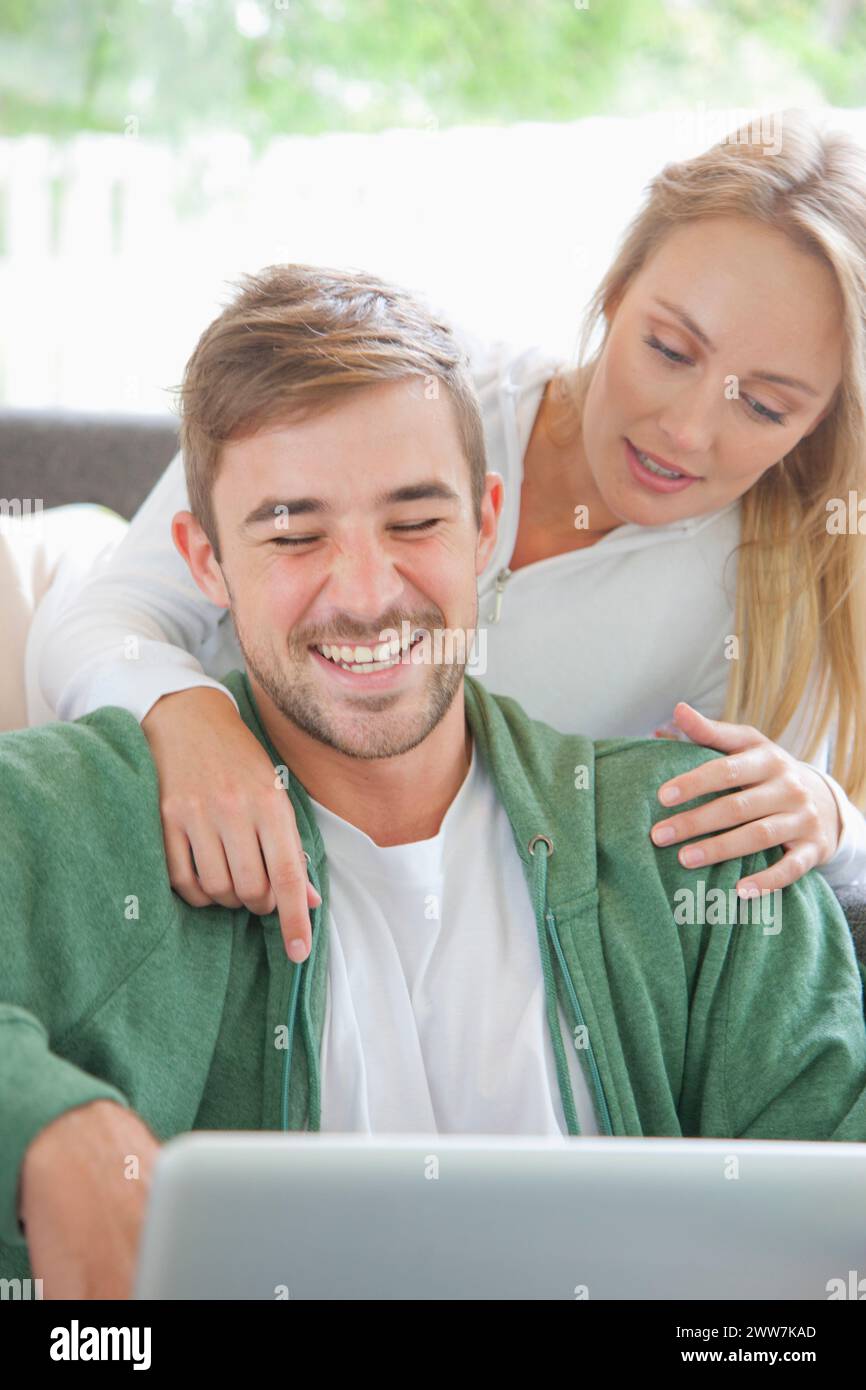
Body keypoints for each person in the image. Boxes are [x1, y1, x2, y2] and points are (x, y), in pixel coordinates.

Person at [3, 264, 866, 1299]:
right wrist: (42, 1116)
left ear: (484, 520)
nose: (367, 594)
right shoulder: (62, 811)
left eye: (414, 522)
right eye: (293, 532)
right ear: (206, 562)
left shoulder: (705, 848)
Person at [27, 108, 866, 965]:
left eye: (765, 405)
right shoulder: (414, 385)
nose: (687, 430)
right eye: (669, 348)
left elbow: (785, 896)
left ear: (823, 420)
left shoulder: (765, 599)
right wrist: (189, 718)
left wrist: (834, 823)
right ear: (615, 292)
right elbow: (98, 621)